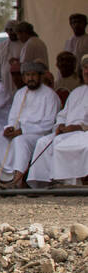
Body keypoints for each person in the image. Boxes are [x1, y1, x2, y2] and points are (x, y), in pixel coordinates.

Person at [0, 61, 61, 189]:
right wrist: (10, 128)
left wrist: (22, 131)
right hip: (19, 132)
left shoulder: (50, 95)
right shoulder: (20, 93)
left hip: (39, 135)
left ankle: (17, 181)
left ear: (40, 76)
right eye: (27, 75)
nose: (30, 78)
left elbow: (48, 124)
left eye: (33, 75)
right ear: (23, 77)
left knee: (20, 140)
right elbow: (13, 117)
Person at [27, 54, 88, 188]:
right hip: (67, 131)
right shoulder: (77, 92)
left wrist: (78, 127)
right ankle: (42, 183)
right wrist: (60, 124)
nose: (86, 71)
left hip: (83, 132)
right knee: (43, 142)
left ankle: (67, 182)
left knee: (69, 143)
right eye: (85, 68)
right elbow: (63, 114)